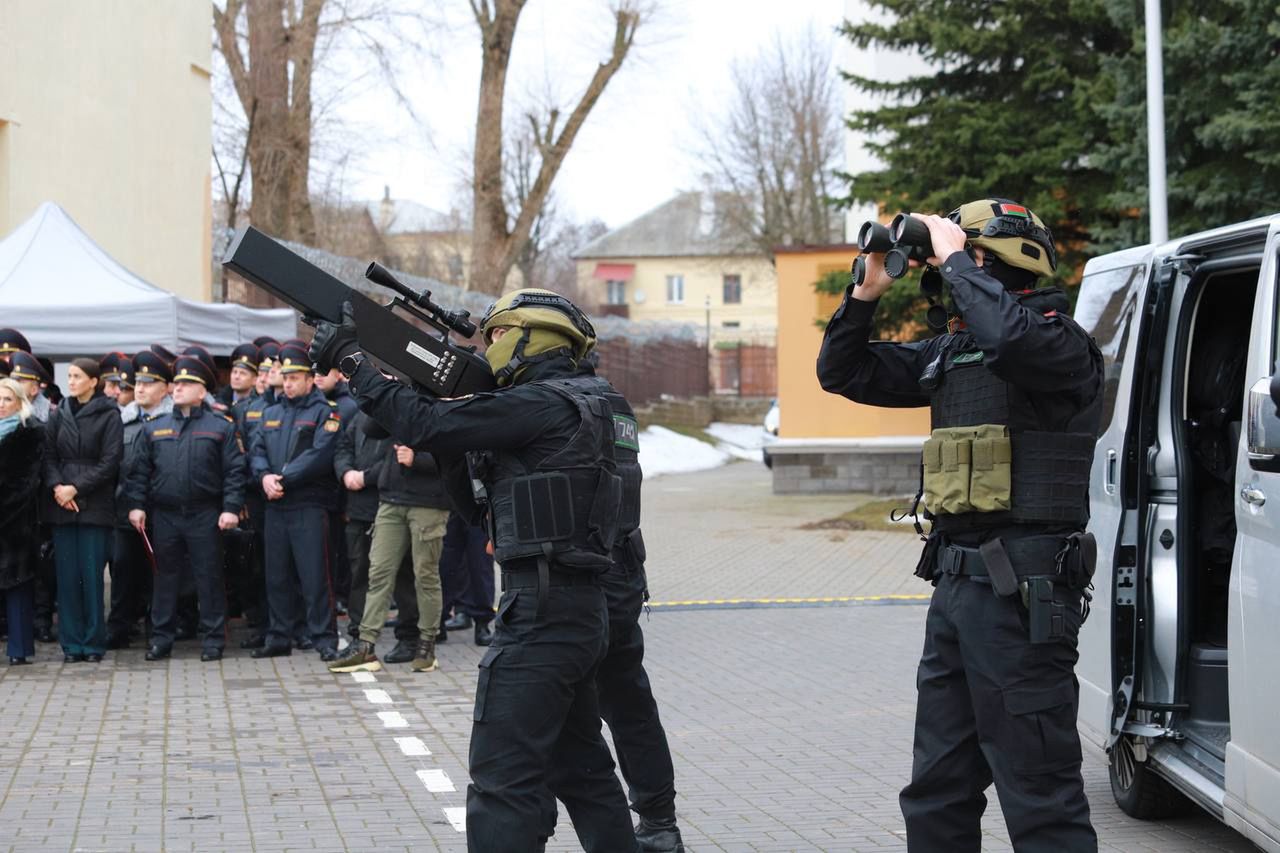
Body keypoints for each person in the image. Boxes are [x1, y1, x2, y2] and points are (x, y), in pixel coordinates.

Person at [816, 199, 1101, 852]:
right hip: (955, 591)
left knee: (1040, 798)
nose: (948, 272)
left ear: (1000, 259)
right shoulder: (954, 353)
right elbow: (842, 372)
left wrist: (952, 259)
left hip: (1025, 596)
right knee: (936, 791)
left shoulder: (1060, 344)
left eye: (965, 255)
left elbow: (1012, 341)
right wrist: (864, 295)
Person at [311, 288, 638, 852]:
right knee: (581, 770)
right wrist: (451, 439)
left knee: (502, 780)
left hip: (540, 617)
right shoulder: (599, 401)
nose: (488, 347)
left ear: (531, 339)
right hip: (581, 611)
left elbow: (425, 427)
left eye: (498, 335)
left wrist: (353, 361)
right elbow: (477, 512)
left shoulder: (538, 404)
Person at [547, 356, 685, 852]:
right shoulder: (612, 403)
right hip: (623, 570)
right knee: (628, 702)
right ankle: (659, 822)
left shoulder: (563, 407)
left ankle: (549, 825)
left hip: (589, 575)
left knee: (556, 705)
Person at [125, 356, 246, 662]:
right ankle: (161, 640)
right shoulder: (156, 428)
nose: (177, 388)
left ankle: (213, 640)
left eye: (186, 384)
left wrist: (231, 508)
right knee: (164, 579)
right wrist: (137, 505)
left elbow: (234, 472)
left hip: (205, 514)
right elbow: (140, 472)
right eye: (176, 383)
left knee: (209, 578)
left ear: (202, 392)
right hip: (166, 514)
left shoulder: (220, 427)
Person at [327, 420, 452, 674]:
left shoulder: (442, 402)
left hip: (428, 502)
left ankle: (426, 645)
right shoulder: (398, 403)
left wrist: (419, 459)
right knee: (378, 573)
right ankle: (366, 646)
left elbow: (455, 453)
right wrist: (384, 402)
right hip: (391, 498)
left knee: (425, 576)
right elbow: (370, 428)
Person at [247, 344, 342, 661]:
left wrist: (282, 479)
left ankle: (324, 638)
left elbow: (319, 455)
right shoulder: (271, 412)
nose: (287, 383)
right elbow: (257, 450)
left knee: (315, 576)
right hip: (275, 505)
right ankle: (279, 636)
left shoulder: (324, 412)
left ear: (309, 379)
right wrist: (264, 477)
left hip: (307, 504)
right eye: (285, 377)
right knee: (276, 576)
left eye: (294, 378)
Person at [43, 357, 124, 664]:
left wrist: (75, 488)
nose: (72, 382)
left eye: (78, 376)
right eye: (70, 376)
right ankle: (71, 643)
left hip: (94, 503)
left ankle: (93, 642)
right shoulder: (59, 413)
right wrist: (57, 487)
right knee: (66, 577)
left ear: (93, 381)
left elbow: (110, 462)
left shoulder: (109, 414)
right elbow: (48, 456)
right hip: (62, 505)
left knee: (90, 577)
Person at [106, 351, 174, 649]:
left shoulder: (173, 420)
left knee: (157, 573)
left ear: (166, 388)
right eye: (138, 383)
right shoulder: (123, 420)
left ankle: (157, 632)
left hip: (161, 510)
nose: (140, 388)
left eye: (149, 383)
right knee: (122, 569)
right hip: (125, 509)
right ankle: (119, 628)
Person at [0, 378, 45, 665]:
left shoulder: (30, 432)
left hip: (15, 522)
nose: (1, 405)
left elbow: (26, 483)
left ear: (20, 402)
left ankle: (19, 648)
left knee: (17, 585)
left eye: (7, 399)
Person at [315, 365, 359, 613]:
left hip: (341, 491)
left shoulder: (348, 406)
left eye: (324, 372)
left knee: (341, 551)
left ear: (338, 374)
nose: (318, 377)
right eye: (315, 373)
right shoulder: (316, 404)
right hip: (324, 492)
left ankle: (341, 596)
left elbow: (346, 450)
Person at [439, 512, 496, 645]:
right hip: (447, 506)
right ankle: (438, 622)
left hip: (478, 507)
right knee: (444, 563)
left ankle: (482, 623)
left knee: (480, 563)